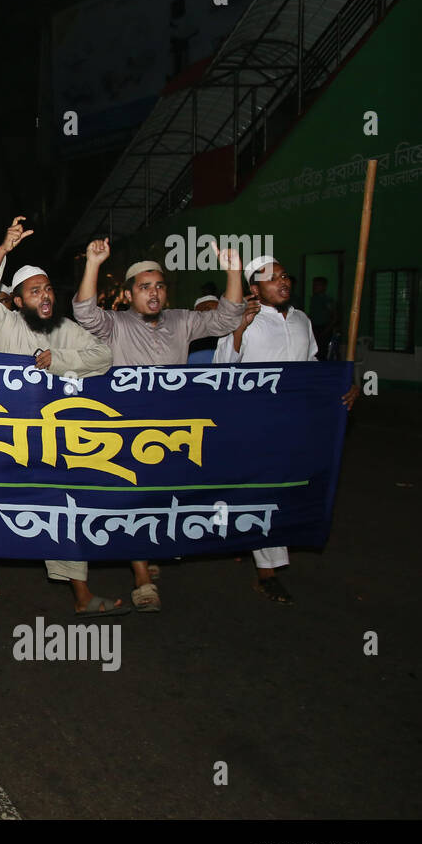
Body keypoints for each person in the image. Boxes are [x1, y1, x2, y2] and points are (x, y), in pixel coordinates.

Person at [73, 237, 244, 614]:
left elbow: (227, 318)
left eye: (160, 286)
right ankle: (141, 578)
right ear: (130, 294)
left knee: (159, 498)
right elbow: (85, 312)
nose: (154, 293)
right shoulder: (115, 324)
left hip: (173, 433)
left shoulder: (182, 321)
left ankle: (146, 554)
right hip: (127, 433)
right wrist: (93, 263)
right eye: (145, 287)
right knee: (133, 500)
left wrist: (233, 269)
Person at [0, 216, 123, 617]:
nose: (45, 296)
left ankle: (82, 595)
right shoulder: (2, 322)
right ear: (18, 300)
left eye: (48, 289)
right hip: (1, 437)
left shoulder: (66, 329)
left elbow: (103, 357)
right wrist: (4, 249)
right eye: (35, 291)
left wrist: (60, 361)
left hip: (52, 440)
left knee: (63, 506)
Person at [214, 254, 359, 604]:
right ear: (254, 288)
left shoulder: (302, 320)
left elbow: (310, 366)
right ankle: (267, 574)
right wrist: (238, 328)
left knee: (278, 491)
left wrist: (342, 387)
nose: (283, 282)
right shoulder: (244, 320)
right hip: (253, 425)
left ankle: (240, 537)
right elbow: (221, 368)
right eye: (272, 278)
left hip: (293, 423)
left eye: (285, 276)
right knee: (264, 492)